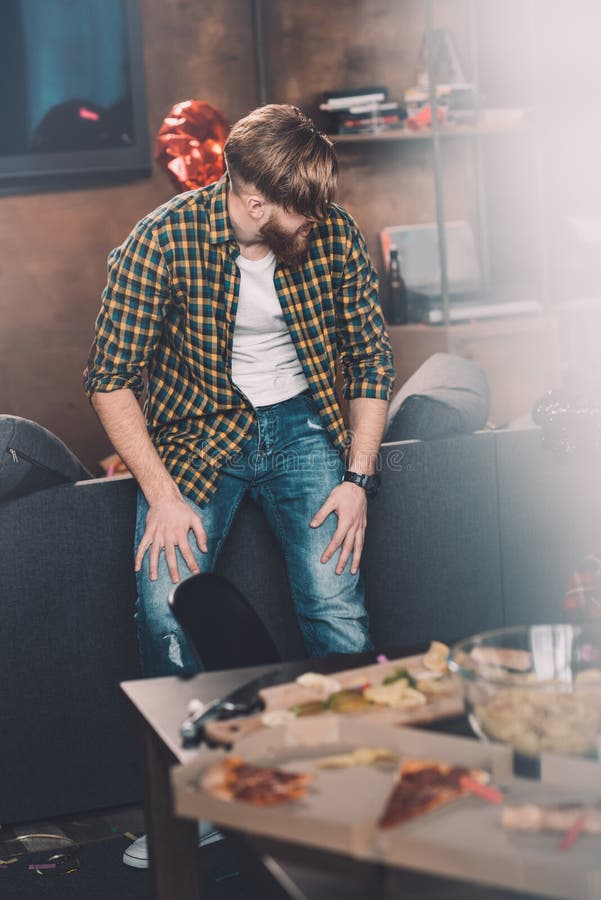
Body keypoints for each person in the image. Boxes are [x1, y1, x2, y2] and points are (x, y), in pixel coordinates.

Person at [84, 103, 395, 867]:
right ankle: (200, 802)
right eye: (301, 205)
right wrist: (161, 492)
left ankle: (355, 786)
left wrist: (356, 478)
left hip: (302, 426)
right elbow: (109, 381)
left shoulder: (332, 234)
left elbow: (369, 362)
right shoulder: (160, 241)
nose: (317, 218)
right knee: (164, 606)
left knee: (332, 601)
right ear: (253, 199)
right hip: (197, 437)